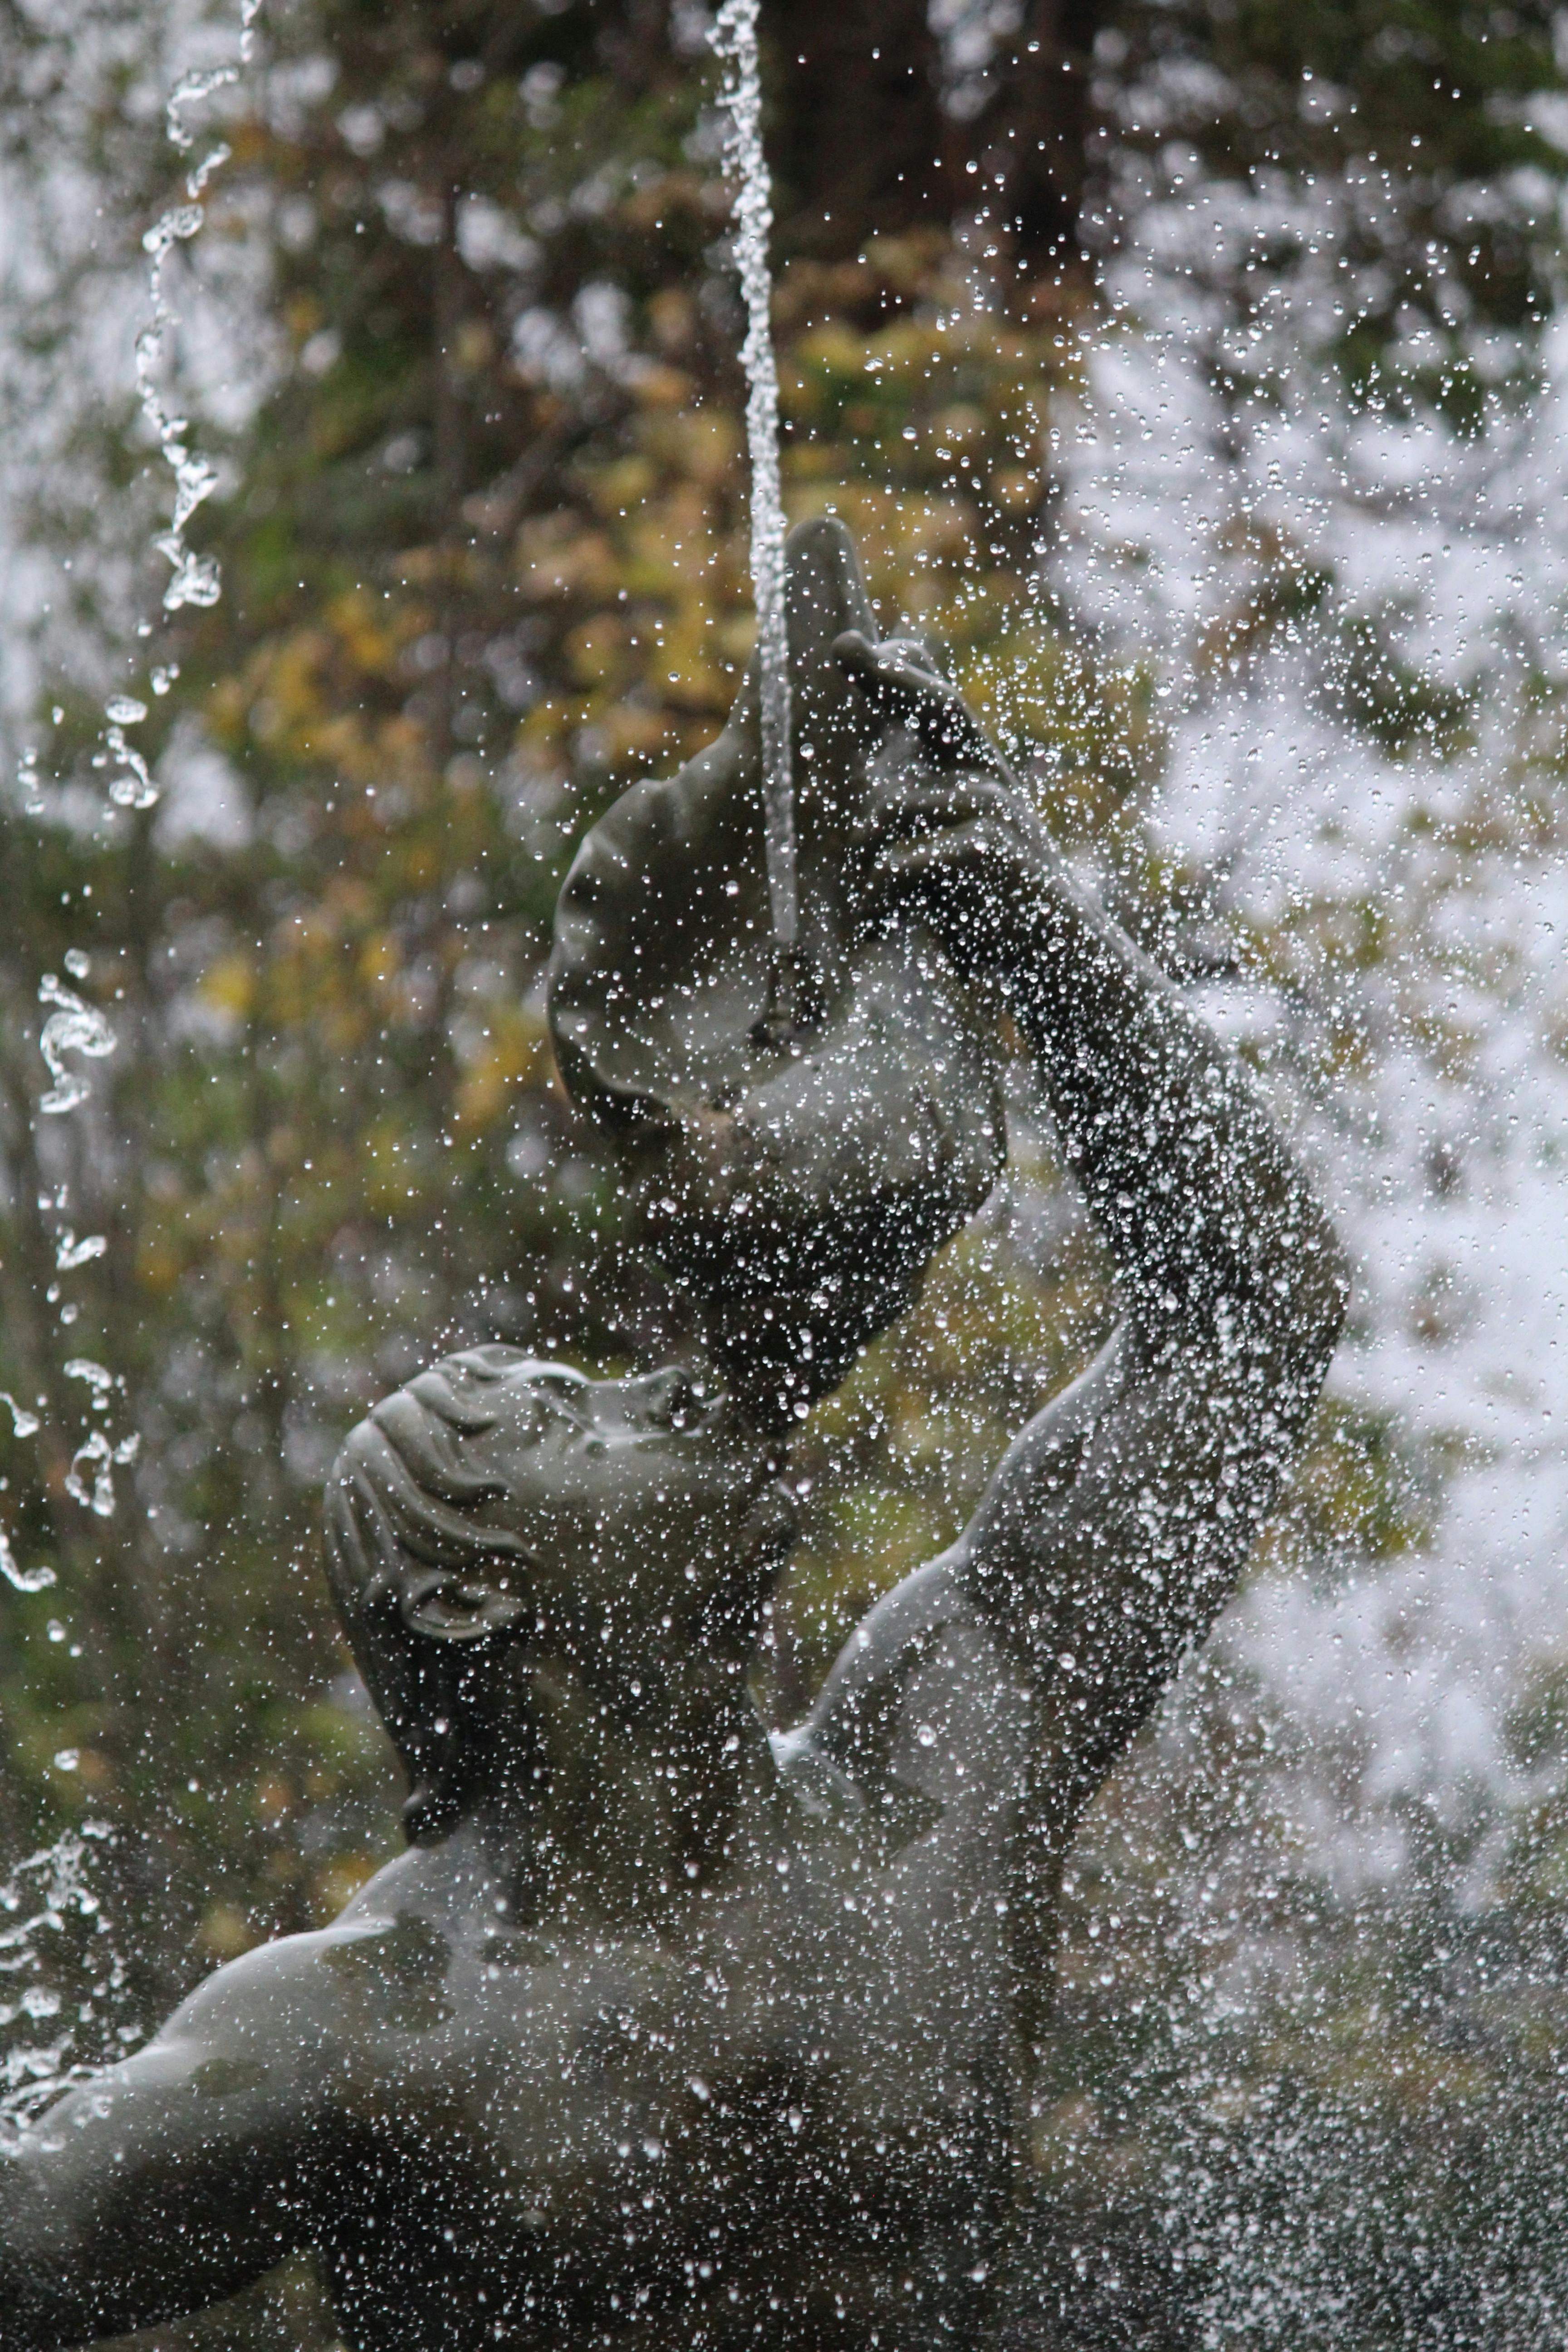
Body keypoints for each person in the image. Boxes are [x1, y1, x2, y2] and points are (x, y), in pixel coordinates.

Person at [0, 634, 1345, 2352]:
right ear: (470, 1589)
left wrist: (1053, 951)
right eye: (575, 1409)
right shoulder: (362, 2034)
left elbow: (1253, 1320)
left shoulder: (936, 1786)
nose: (665, 1387)